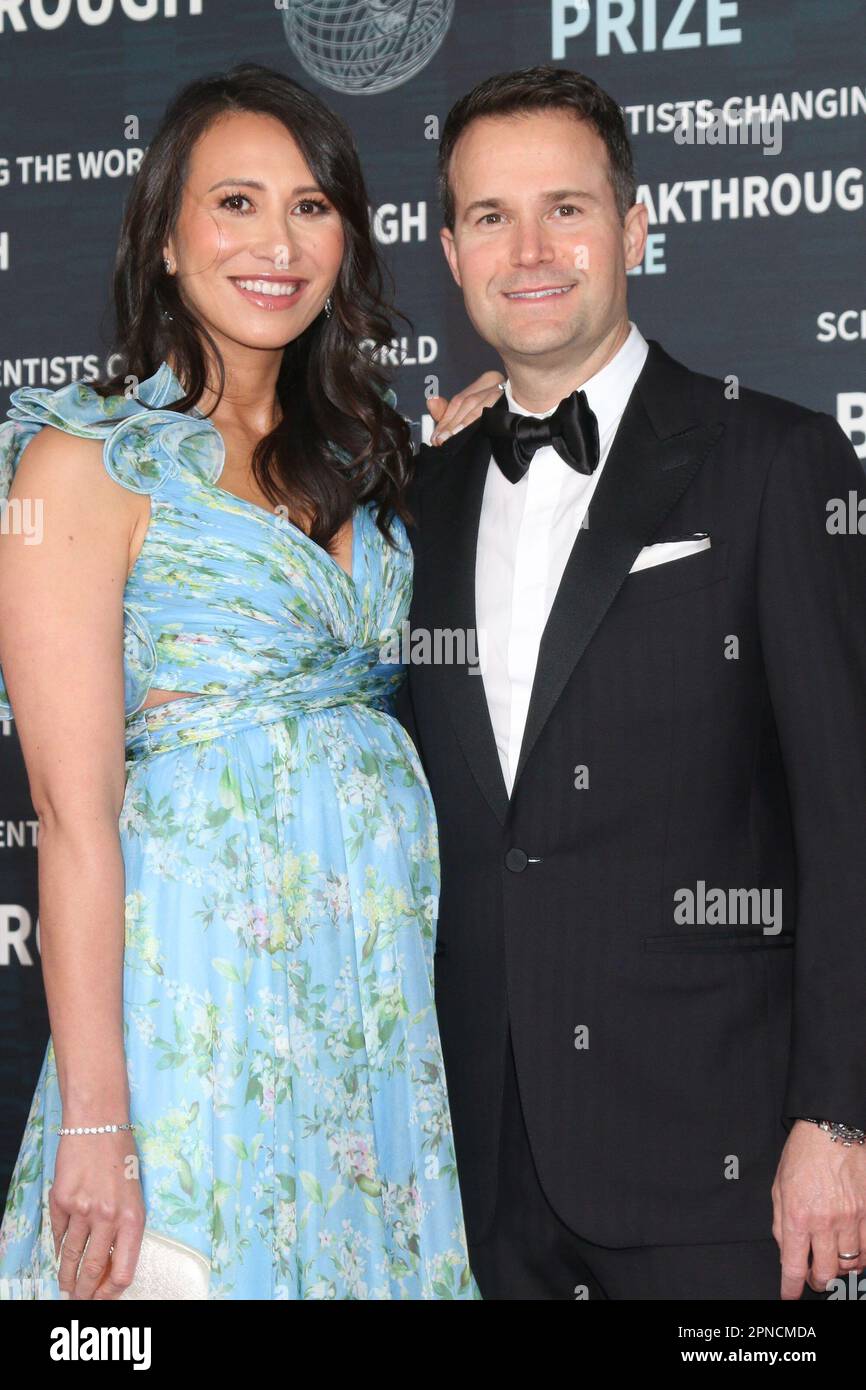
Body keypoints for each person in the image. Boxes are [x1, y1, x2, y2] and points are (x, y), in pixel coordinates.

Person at [0, 62, 486, 1301]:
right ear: (164, 238)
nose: (278, 241)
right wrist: (99, 1123)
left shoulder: (372, 461)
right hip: (194, 996)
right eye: (235, 202)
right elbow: (71, 816)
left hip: (367, 991)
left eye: (313, 206)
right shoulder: (80, 467)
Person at [396, 64, 866, 1301]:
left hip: (718, 1167)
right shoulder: (416, 501)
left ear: (635, 228)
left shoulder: (774, 459)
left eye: (567, 206)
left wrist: (838, 1119)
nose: (530, 248)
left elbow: (846, 815)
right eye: (490, 217)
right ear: (448, 251)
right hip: (471, 1169)